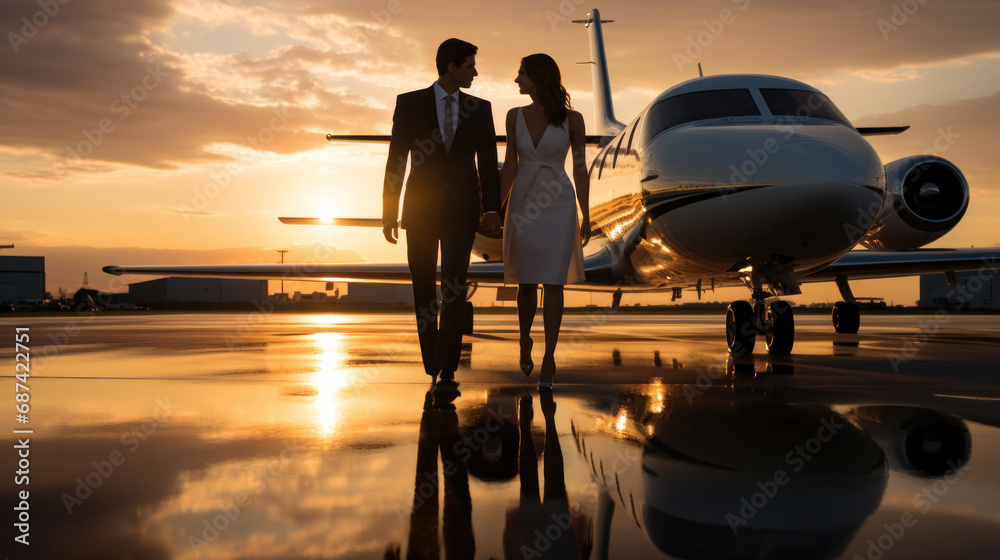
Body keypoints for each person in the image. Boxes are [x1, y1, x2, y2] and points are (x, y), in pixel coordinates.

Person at [383, 38, 502, 383]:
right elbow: (397, 159)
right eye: (470, 65)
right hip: (420, 208)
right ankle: (431, 361)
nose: (475, 73)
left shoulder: (480, 109)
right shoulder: (409, 104)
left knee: (454, 286)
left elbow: (488, 162)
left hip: (462, 210)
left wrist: (492, 209)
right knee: (423, 286)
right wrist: (389, 211)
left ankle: (447, 365)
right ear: (452, 67)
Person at [500, 53, 589, 390]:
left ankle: (550, 356)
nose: (517, 79)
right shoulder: (513, 116)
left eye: (521, 73)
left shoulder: (574, 119)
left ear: (538, 77)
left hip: (560, 204)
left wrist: (586, 212)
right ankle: (525, 339)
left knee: (554, 283)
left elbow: (580, 167)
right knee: (526, 282)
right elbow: (509, 164)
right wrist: (495, 208)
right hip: (523, 202)